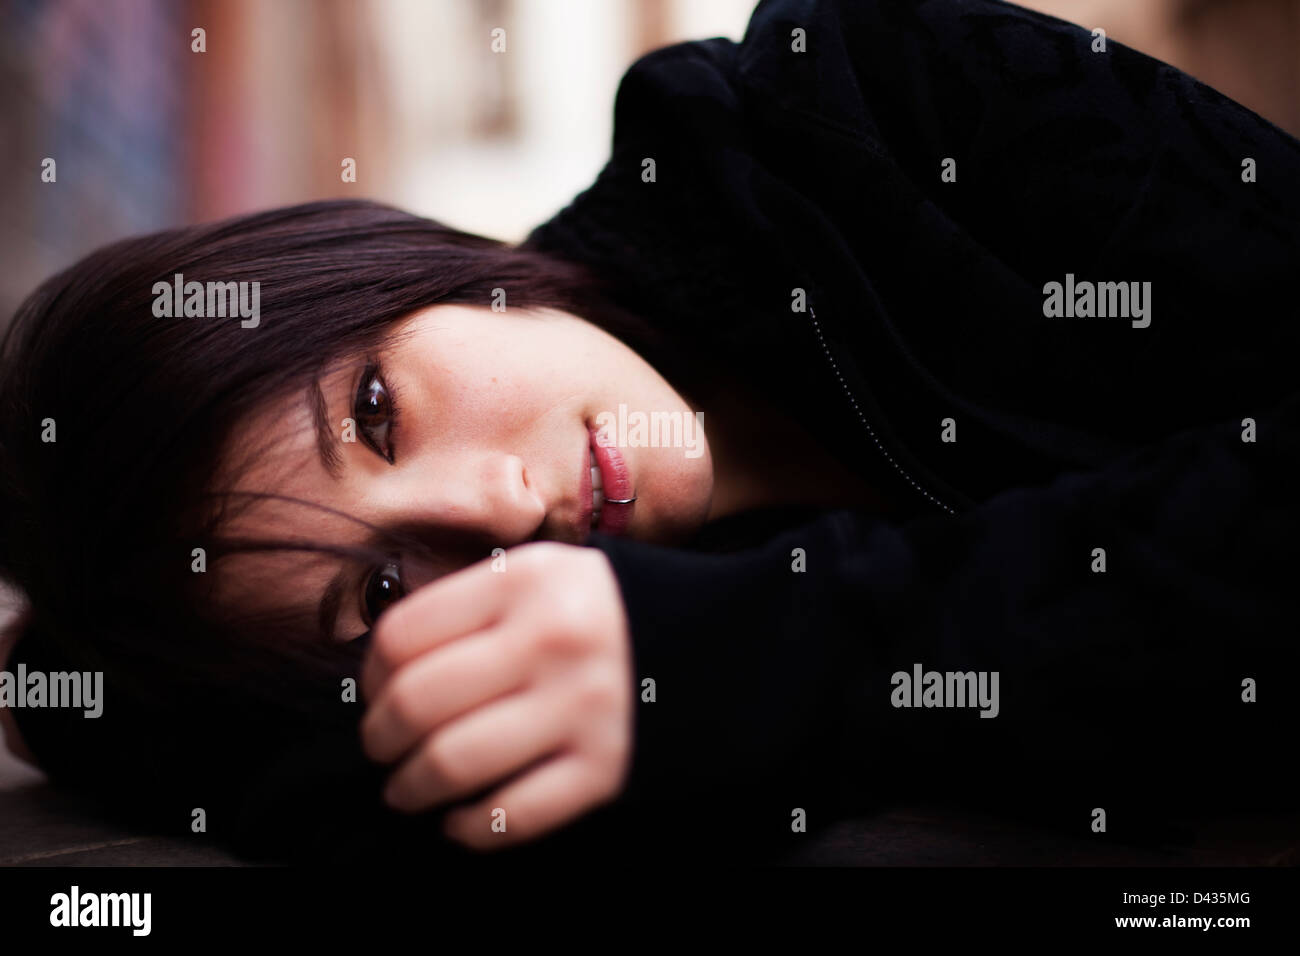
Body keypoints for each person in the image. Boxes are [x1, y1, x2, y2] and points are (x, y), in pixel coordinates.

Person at [2, 0, 1298, 864]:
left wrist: (783, 659)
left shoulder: (875, 97)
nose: (503, 511)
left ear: (387, 265)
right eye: (382, 591)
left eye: (377, 416)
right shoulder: (587, 672)